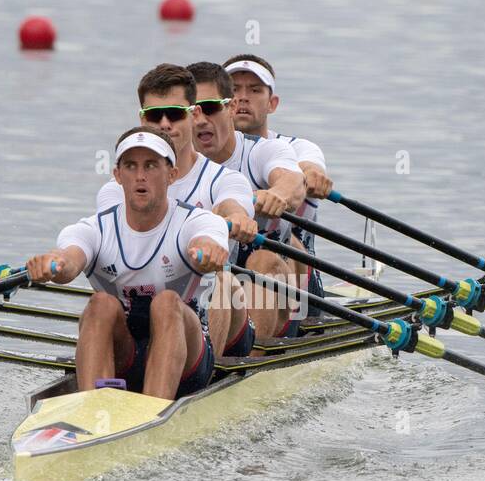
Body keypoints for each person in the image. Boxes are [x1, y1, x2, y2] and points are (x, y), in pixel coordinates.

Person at [26, 126, 229, 400]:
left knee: (167, 302)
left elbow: (207, 239)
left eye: (151, 165)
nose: (140, 176)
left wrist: (208, 251)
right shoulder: (95, 228)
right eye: (131, 166)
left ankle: (152, 412)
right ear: (118, 175)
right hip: (126, 355)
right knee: (101, 304)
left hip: (188, 362)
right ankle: (92, 409)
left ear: (172, 174)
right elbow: (69, 259)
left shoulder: (196, 221)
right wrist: (54, 264)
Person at [96, 64, 258, 358]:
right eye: (155, 116)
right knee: (102, 293)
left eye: (175, 114)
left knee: (221, 279)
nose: (164, 124)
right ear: (142, 119)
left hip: (209, 315)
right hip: (143, 309)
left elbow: (232, 206)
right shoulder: (115, 190)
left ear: (194, 115)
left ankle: (208, 376)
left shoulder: (224, 180)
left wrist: (235, 220)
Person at [187, 60, 306, 339]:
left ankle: (252, 356)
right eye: (192, 111)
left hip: (277, 292)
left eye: (211, 108)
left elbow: (293, 181)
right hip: (209, 288)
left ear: (229, 108)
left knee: (261, 260)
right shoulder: (169, 168)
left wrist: (277, 194)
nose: (201, 119)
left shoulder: (261, 152)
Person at [225, 53, 331, 311]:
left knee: (267, 258)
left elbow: (308, 167)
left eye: (254, 90)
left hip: (296, 282)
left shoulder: (297, 148)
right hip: (227, 276)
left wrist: (309, 178)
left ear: (272, 103)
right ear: (223, 103)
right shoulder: (204, 156)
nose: (242, 97)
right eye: (233, 90)